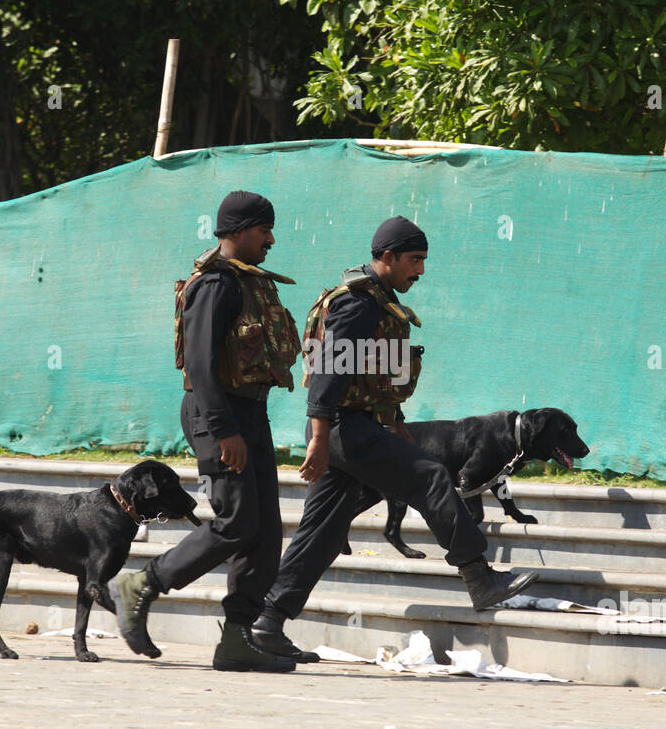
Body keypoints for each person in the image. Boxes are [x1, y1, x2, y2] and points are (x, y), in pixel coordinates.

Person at [251, 216, 537, 662]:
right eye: (414, 260)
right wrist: (319, 439)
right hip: (345, 428)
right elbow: (329, 369)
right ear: (387, 257)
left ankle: (266, 622)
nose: (420, 271)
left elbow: (374, 375)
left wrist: (397, 424)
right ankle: (480, 577)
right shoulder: (359, 304)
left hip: (353, 426)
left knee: (322, 533)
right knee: (432, 477)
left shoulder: (373, 300)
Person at [110, 191, 302, 672]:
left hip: (249, 413)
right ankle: (142, 583)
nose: (271, 240)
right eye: (263, 231)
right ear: (236, 231)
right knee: (236, 520)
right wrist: (223, 430)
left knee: (264, 532)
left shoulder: (249, 281)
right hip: (216, 414)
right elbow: (199, 362)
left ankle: (237, 637)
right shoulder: (215, 284)